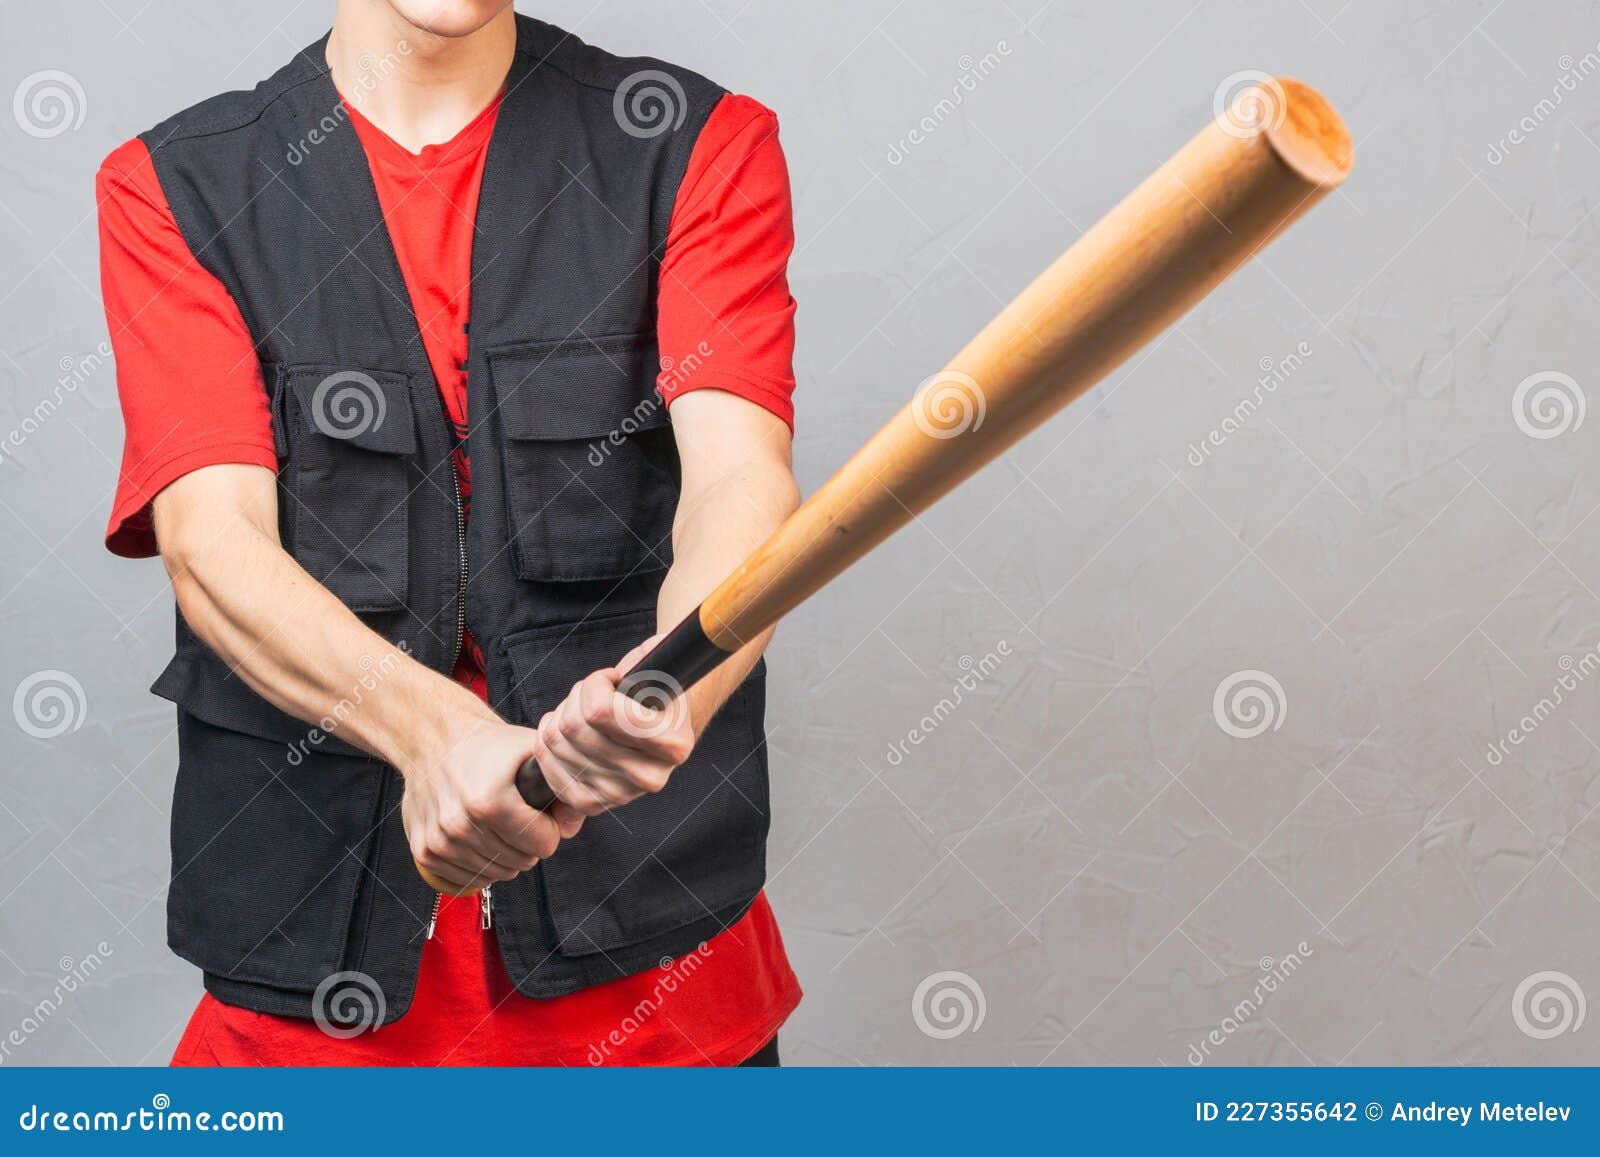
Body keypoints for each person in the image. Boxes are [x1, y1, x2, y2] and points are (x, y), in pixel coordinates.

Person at [97, 0, 802, 1066]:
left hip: (661, 1013)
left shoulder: (697, 144)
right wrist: (438, 734)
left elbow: (738, 478)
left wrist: (671, 688)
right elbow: (211, 542)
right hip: (313, 1018)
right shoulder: (177, 187)